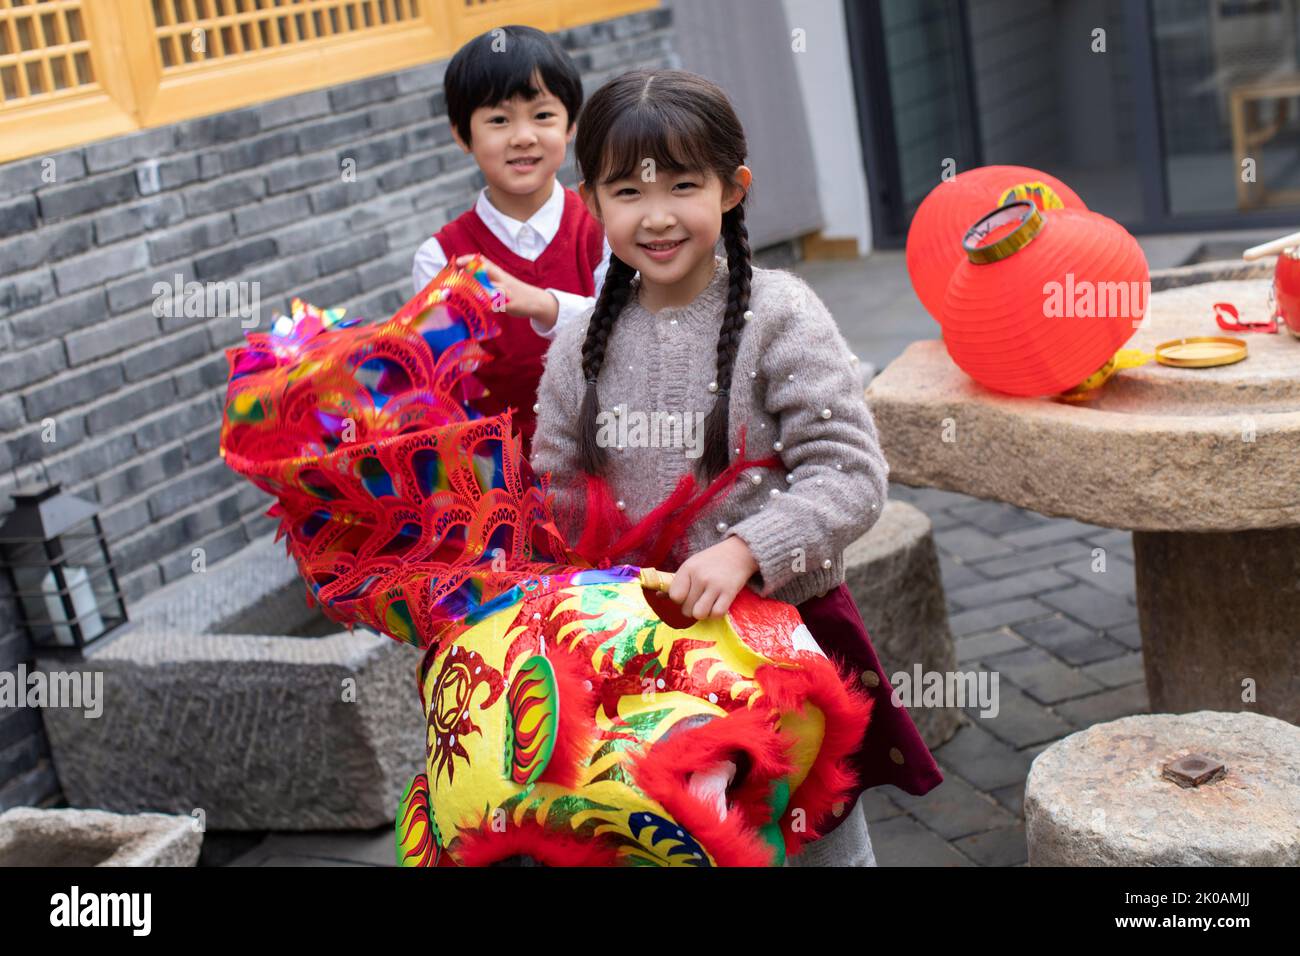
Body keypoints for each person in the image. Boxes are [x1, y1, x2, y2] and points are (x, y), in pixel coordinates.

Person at [530, 69, 943, 867]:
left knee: (813, 840)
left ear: (732, 187)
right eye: (627, 191)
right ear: (590, 202)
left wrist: (748, 549)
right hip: (639, 656)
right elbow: (557, 496)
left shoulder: (780, 315)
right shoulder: (577, 347)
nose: (656, 216)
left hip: (781, 649)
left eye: (683, 184)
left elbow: (850, 472)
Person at [411, 24, 610, 457]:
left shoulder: (606, 222)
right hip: (503, 483)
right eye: (499, 120)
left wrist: (540, 303)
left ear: (571, 124)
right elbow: (446, 393)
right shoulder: (440, 259)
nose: (523, 136)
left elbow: (629, 327)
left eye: (542, 116)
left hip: (613, 456)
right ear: (462, 135)